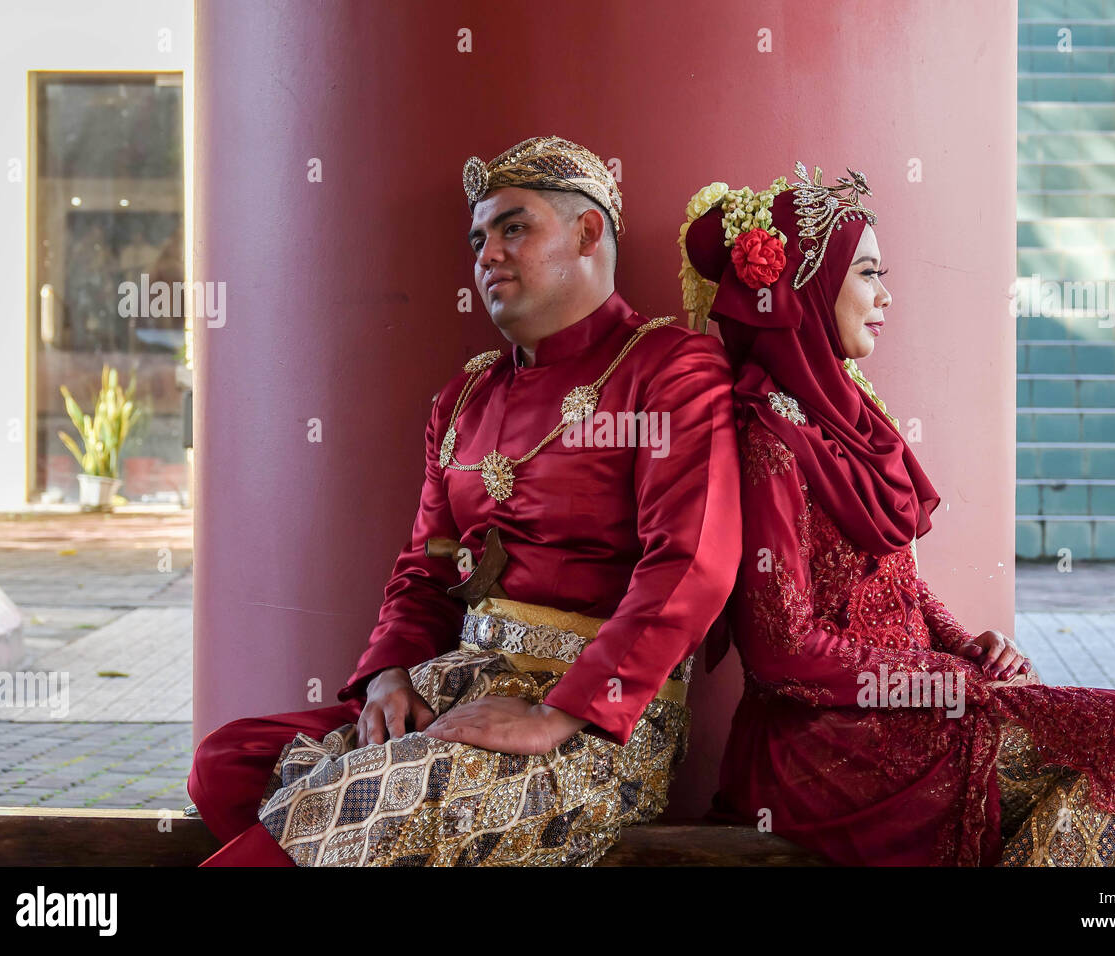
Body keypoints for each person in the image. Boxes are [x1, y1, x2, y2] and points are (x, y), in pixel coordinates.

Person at [678, 162, 1115, 866]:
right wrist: (941, 679)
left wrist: (963, 645)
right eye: (866, 274)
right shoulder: (770, 440)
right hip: (828, 744)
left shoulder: (849, 413)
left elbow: (891, 583)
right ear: (806, 286)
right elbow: (780, 652)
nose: (886, 295)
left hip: (910, 705)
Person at [186, 135, 742, 866]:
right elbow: (425, 570)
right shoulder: (466, 397)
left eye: (514, 227)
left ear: (588, 231)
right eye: (479, 237)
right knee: (230, 760)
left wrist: (557, 714)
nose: (487, 254)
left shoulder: (668, 369)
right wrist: (389, 676)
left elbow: (694, 561)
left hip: (597, 727)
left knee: (354, 802)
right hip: (458, 684)